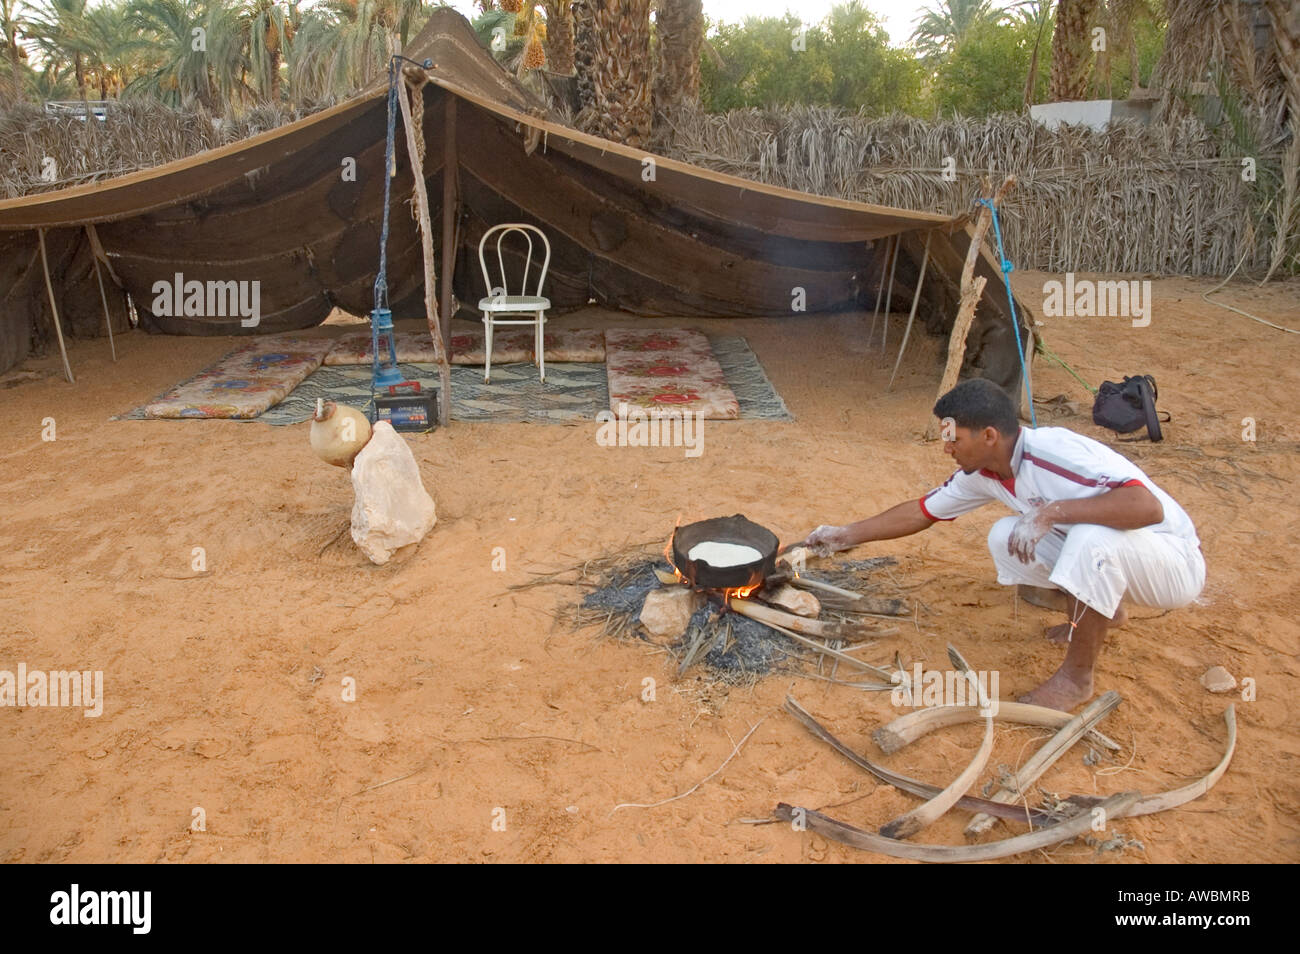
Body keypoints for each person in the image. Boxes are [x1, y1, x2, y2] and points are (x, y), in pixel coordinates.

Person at [802, 378, 1205, 711]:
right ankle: (1104, 612)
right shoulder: (984, 471)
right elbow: (923, 511)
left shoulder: (1052, 453)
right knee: (1006, 536)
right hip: (1127, 554)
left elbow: (1146, 507)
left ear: (989, 435)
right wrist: (845, 534)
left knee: (1087, 536)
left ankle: (1076, 679)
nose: (947, 448)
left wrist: (1050, 512)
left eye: (953, 438)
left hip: (1172, 561)